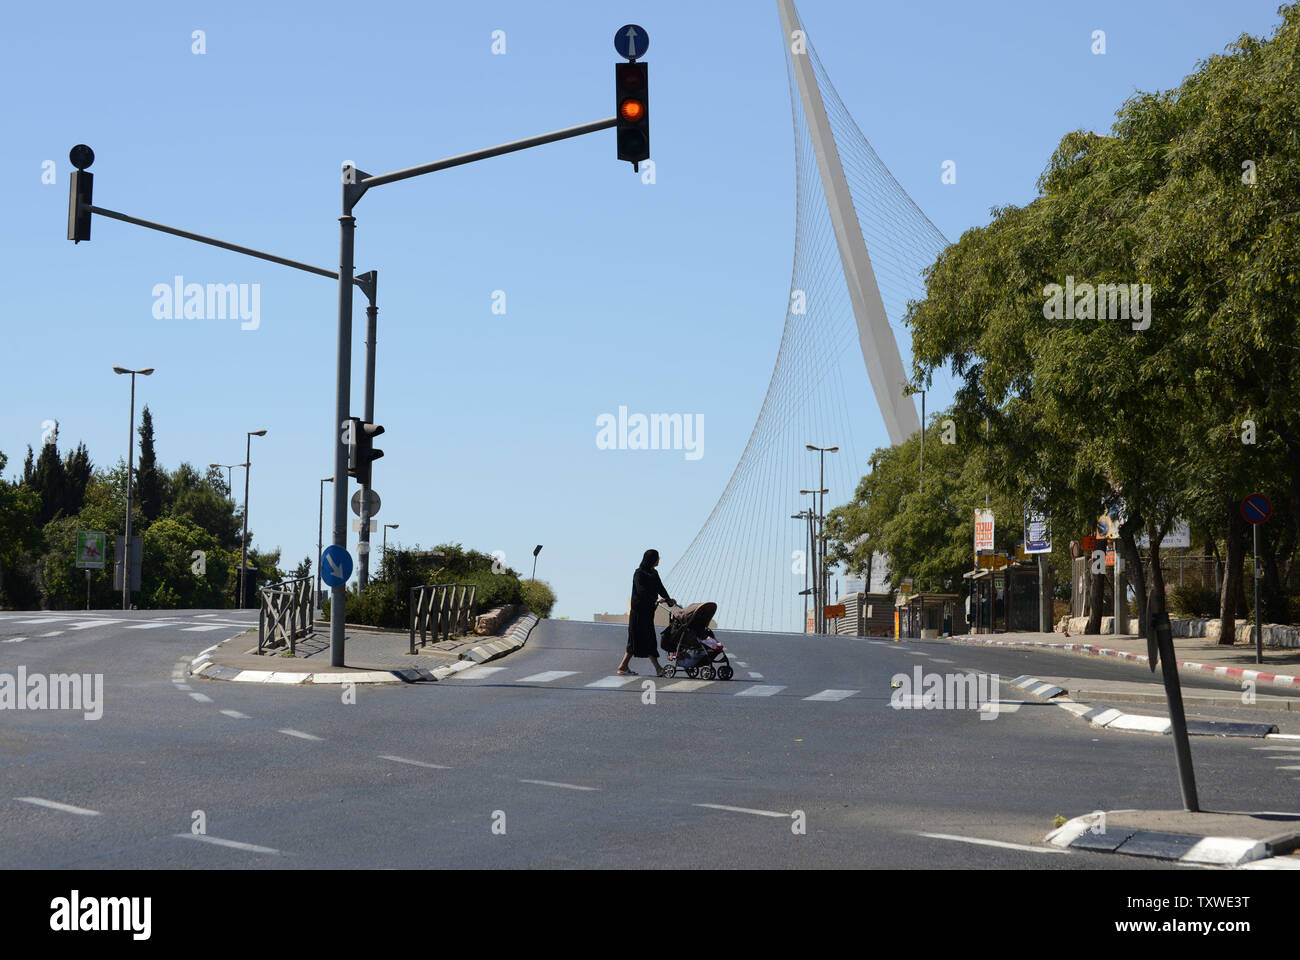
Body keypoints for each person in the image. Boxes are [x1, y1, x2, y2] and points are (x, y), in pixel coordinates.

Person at [618, 549, 673, 676]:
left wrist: (668, 599)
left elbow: (660, 587)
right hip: (638, 612)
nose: (659, 560)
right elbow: (641, 591)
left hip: (648, 611)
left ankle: (623, 666)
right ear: (651, 559)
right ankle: (658, 668)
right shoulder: (639, 573)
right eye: (657, 558)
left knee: (640, 639)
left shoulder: (654, 573)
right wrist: (655, 599)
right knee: (643, 639)